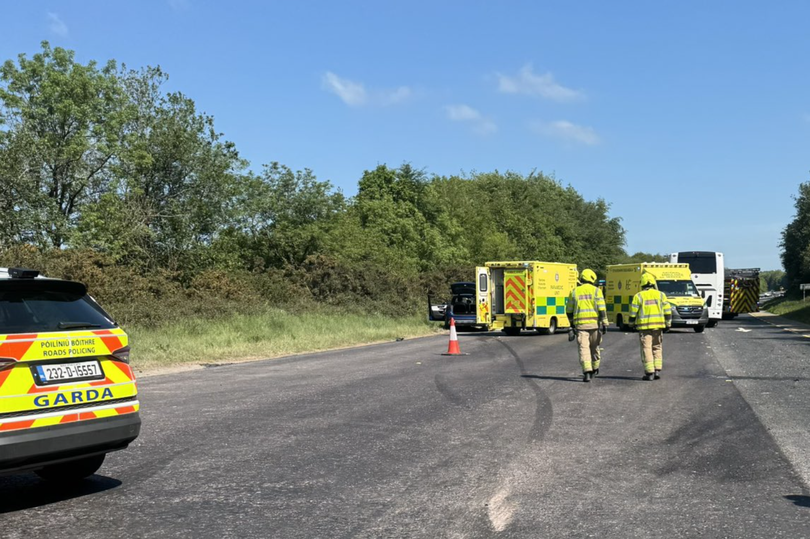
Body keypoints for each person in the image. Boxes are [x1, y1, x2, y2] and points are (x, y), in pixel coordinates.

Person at [566, 269, 608, 382]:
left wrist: (571, 326)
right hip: (594, 325)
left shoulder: (574, 291)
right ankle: (595, 368)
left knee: (583, 349)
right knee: (595, 347)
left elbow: (569, 310)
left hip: (580, 326)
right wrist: (604, 323)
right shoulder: (596, 291)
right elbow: (602, 309)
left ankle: (587, 371)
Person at [629, 273, 672, 380]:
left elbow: (633, 312)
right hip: (658, 327)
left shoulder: (638, 296)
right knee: (657, 347)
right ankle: (657, 370)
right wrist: (668, 324)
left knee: (646, 348)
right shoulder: (661, 295)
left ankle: (649, 372)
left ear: (642, 283)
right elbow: (667, 311)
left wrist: (631, 324)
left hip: (645, 327)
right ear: (653, 283)